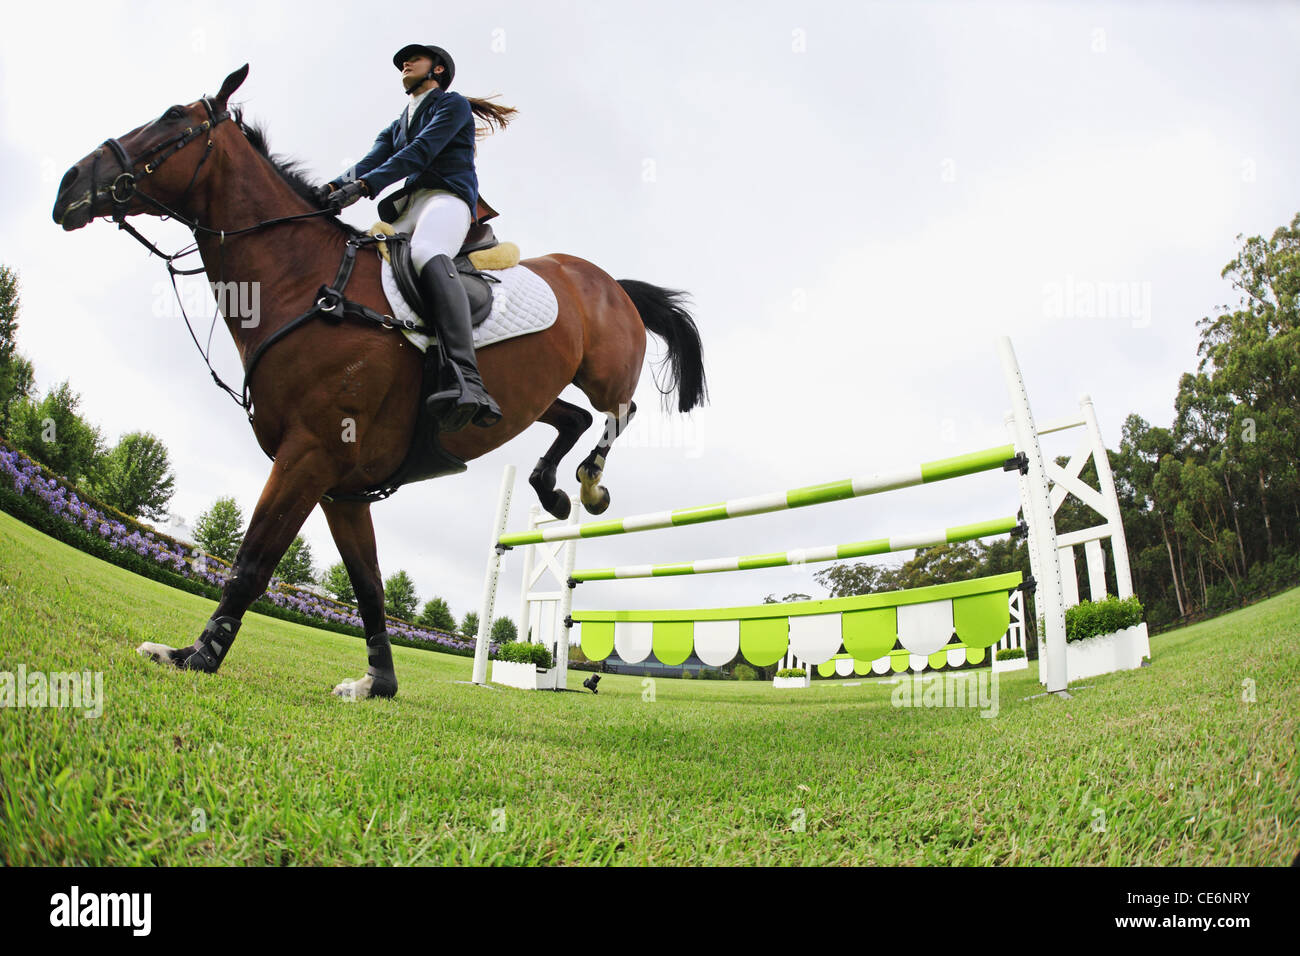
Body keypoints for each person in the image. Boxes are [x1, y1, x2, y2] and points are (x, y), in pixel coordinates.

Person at [318, 43, 514, 431]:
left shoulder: (451, 104)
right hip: (410, 208)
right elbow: (369, 161)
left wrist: (362, 187)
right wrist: (326, 189)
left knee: (425, 252)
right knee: (364, 258)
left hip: (448, 199)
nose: (404, 64)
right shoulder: (398, 123)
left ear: (437, 70)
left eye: (415, 59)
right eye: (403, 61)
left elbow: (422, 153)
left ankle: (467, 378)